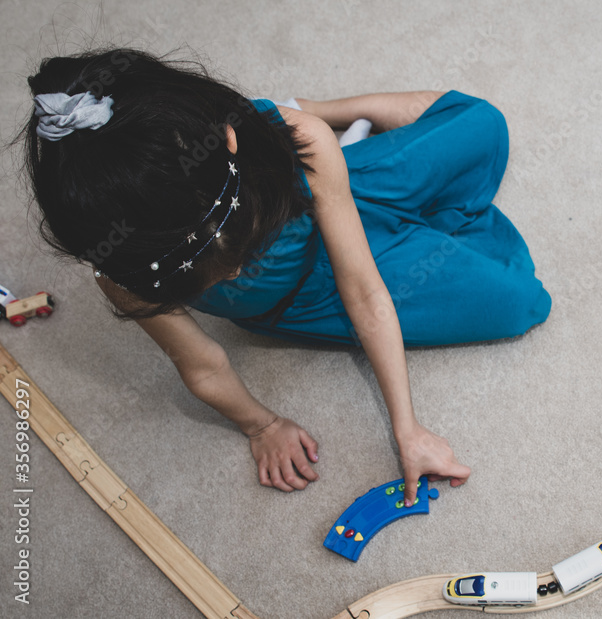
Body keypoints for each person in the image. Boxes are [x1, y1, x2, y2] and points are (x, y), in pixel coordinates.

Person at [20, 48, 552, 505]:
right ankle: (408, 218)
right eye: (209, 279)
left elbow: (365, 290)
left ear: (227, 143)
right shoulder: (123, 269)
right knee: (522, 302)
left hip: (336, 196)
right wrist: (263, 425)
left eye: (245, 248)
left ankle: (325, 109)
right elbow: (201, 364)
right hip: (306, 297)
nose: (231, 271)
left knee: (484, 123)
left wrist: (407, 426)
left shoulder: (295, 141)